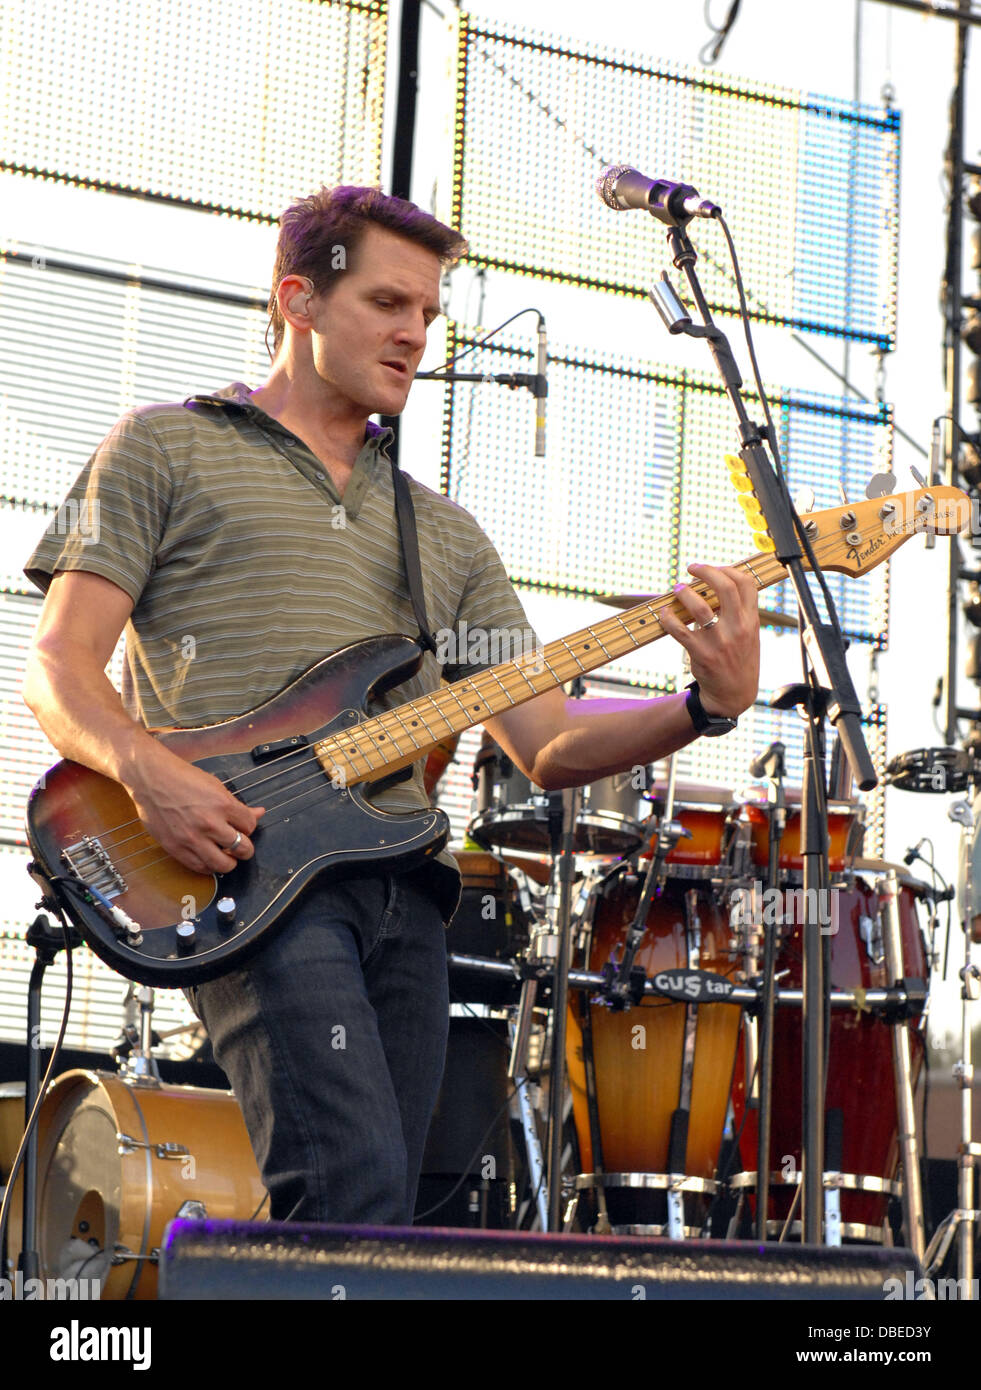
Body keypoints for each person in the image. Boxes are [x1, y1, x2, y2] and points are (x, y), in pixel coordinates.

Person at [22, 185, 760, 1227]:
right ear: (299, 299)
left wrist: (705, 706)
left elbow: (545, 741)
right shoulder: (164, 447)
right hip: (246, 871)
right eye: (388, 303)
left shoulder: (446, 536)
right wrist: (153, 777)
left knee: (375, 1222)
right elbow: (59, 665)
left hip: (408, 895)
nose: (417, 333)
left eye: (429, 312)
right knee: (350, 1184)